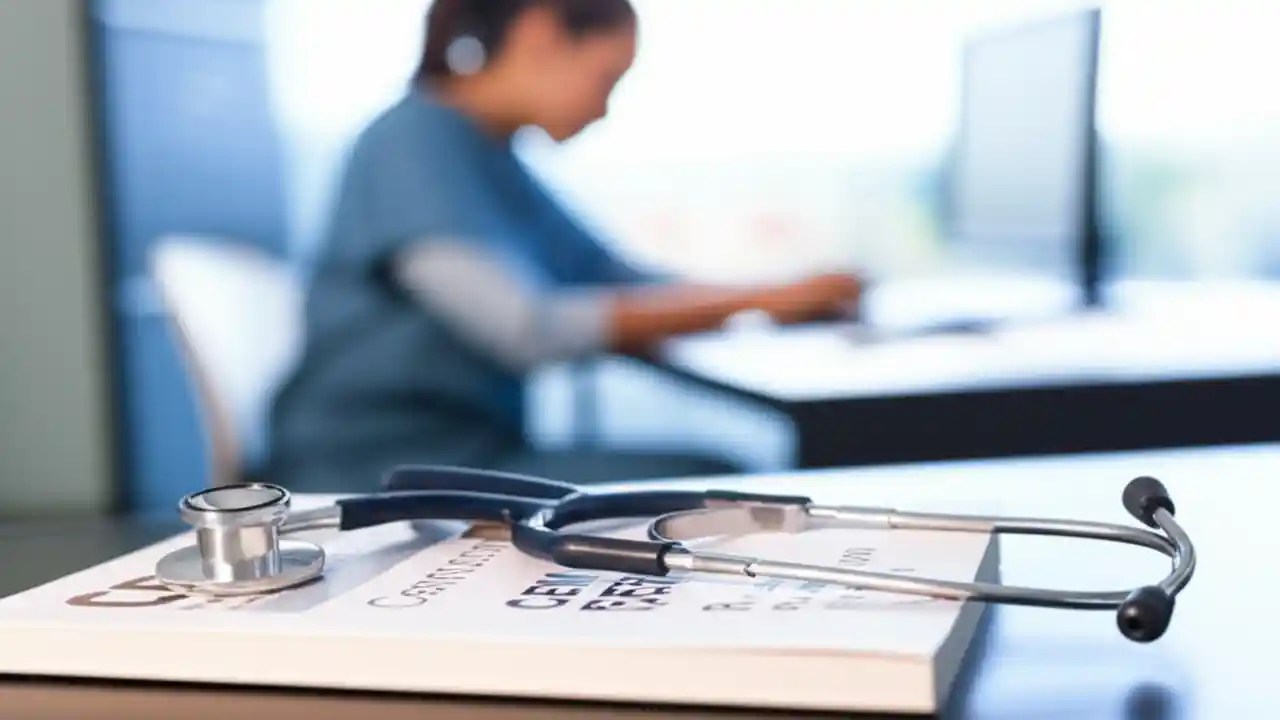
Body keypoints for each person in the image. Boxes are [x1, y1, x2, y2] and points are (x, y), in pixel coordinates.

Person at [267, 0, 863, 492]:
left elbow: (618, 278)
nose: (604, 109)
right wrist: (759, 300)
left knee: (725, 476)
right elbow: (527, 328)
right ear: (540, 32)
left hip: (468, 451)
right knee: (725, 485)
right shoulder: (412, 145)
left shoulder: (493, 160)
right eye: (606, 79)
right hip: (377, 469)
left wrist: (780, 296)